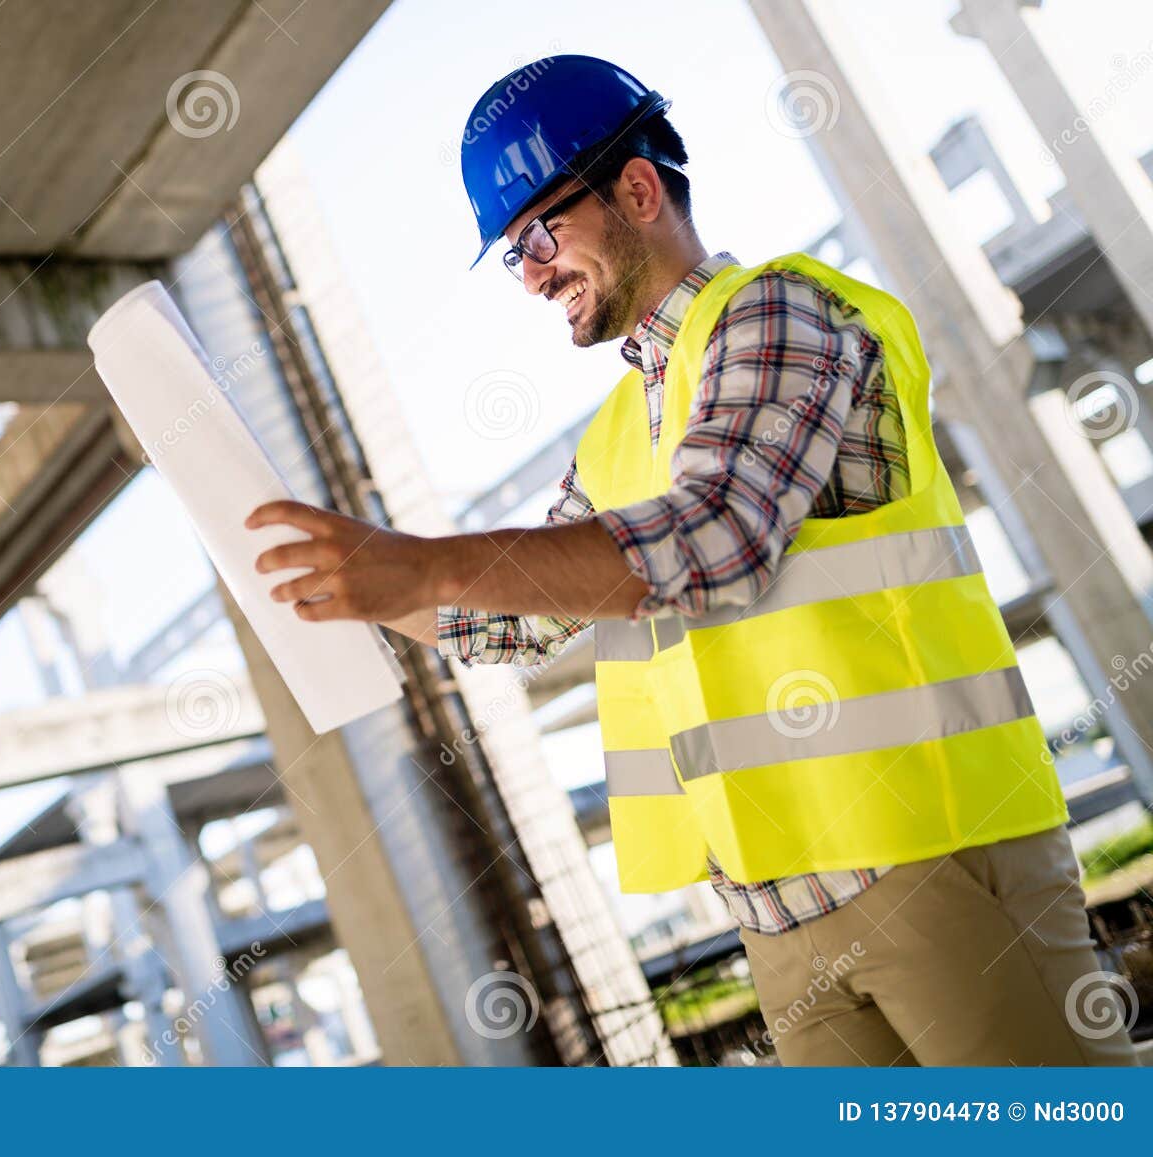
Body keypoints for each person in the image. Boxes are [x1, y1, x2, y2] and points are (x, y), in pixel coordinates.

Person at [245, 55, 1138, 1066]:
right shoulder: (621, 434)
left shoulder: (781, 313)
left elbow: (719, 532)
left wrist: (429, 563)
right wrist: (337, 583)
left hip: (930, 857)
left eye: (538, 231)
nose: (530, 273)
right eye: (512, 252)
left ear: (635, 188)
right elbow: (503, 622)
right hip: (775, 912)